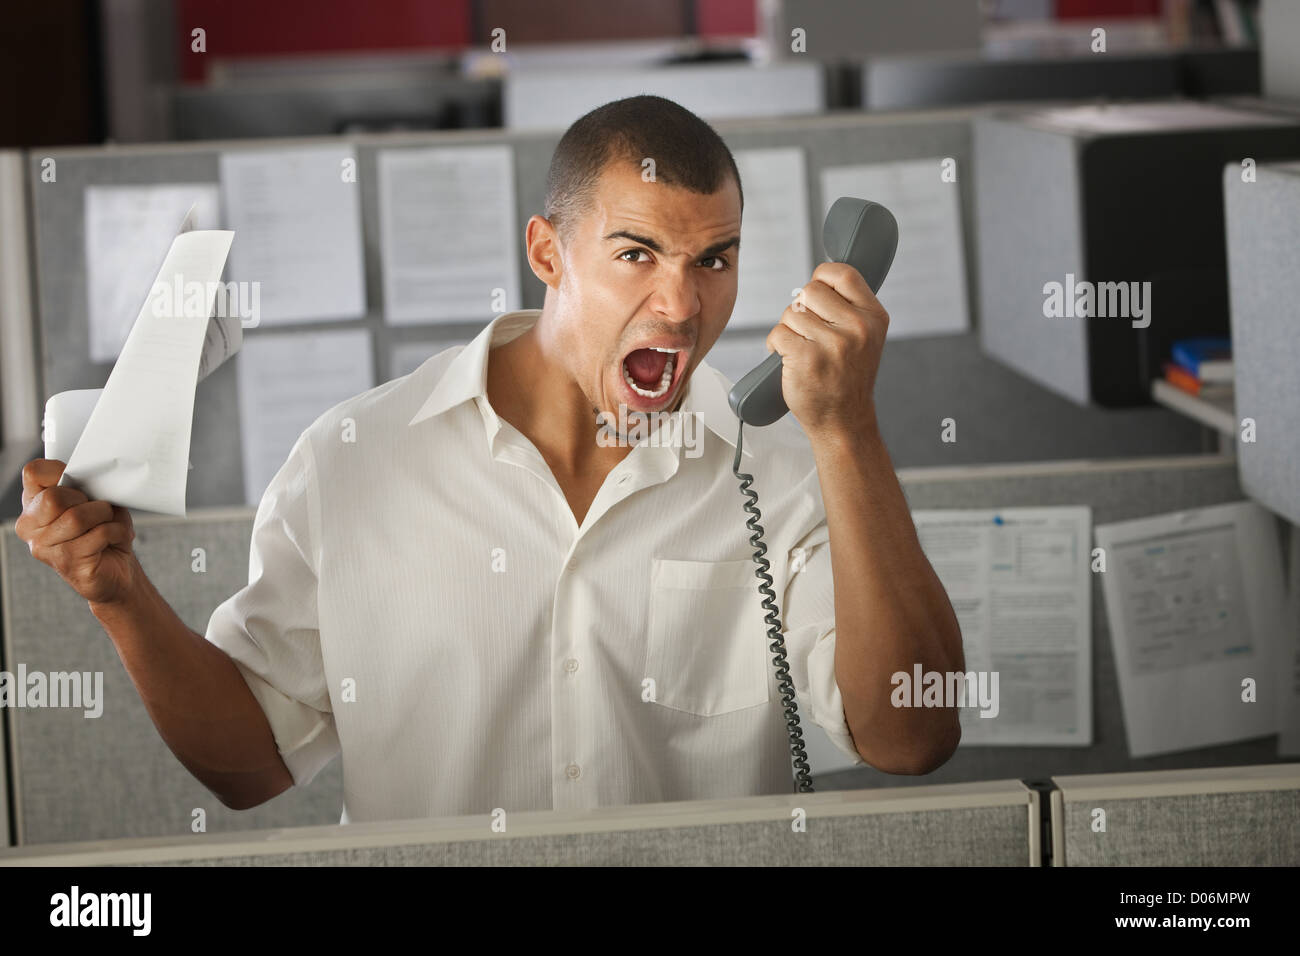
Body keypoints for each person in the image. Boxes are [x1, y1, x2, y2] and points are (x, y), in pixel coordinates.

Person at [16, 94, 964, 823]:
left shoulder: (786, 473)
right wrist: (121, 597)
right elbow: (250, 767)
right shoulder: (354, 464)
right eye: (637, 254)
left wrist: (847, 430)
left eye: (713, 260)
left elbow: (913, 737)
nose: (681, 307)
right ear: (548, 254)